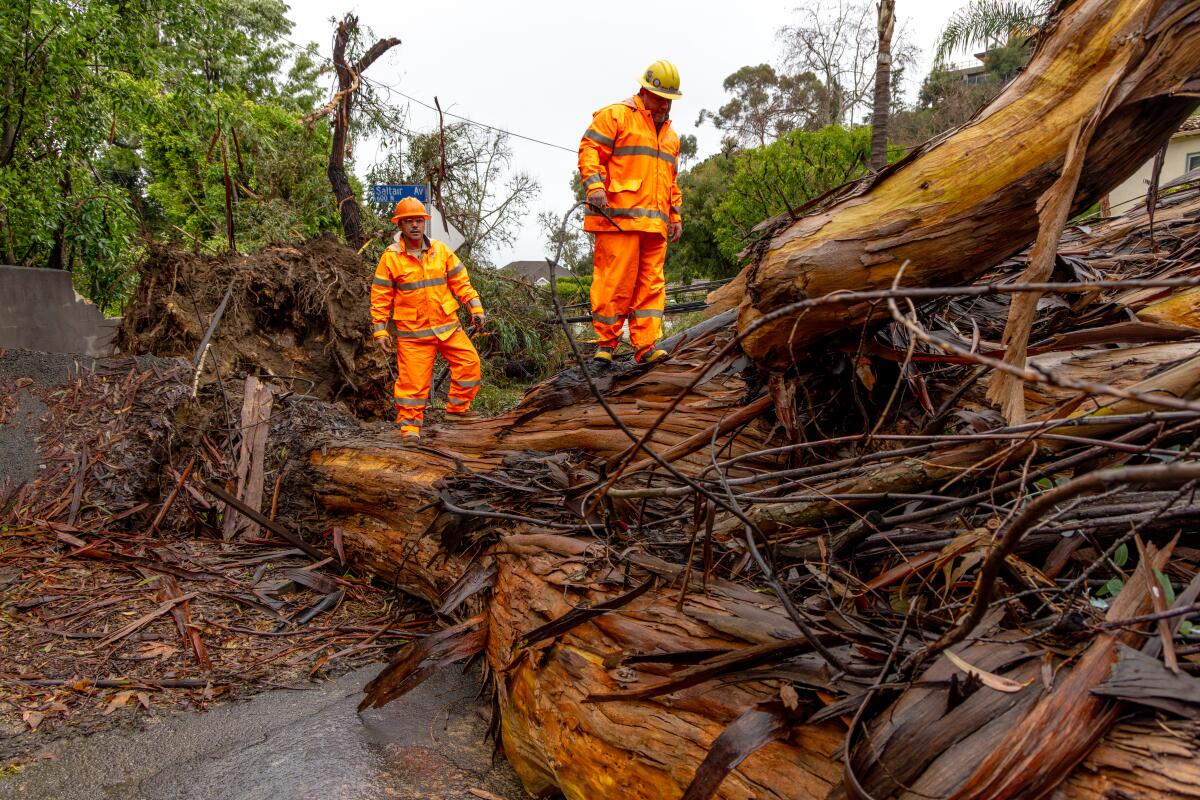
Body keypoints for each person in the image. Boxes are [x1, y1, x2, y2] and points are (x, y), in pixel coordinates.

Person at [578, 59, 684, 366]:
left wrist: (675, 215)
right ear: (644, 91)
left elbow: (671, 181)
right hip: (618, 220)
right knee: (614, 283)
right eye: (660, 98)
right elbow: (589, 150)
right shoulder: (617, 116)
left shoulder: (672, 137)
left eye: (669, 100)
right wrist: (594, 186)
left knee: (651, 286)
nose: (665, 105)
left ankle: (646, 346)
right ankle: (605, 345)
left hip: (655, 226)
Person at [370, 197, 485, 445]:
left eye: (418, 220)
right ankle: (410, 428)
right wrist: (380, 331)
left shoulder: (440, 250)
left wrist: (475, 307)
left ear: (424, 223)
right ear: (400, 225)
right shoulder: (391, 258)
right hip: (414, 335)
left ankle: (457, 411)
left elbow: (461, 283)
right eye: (409, 221)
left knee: (470, 364)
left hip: (448, 327)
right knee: (413, 384)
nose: (414, 225)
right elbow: (380, 297)